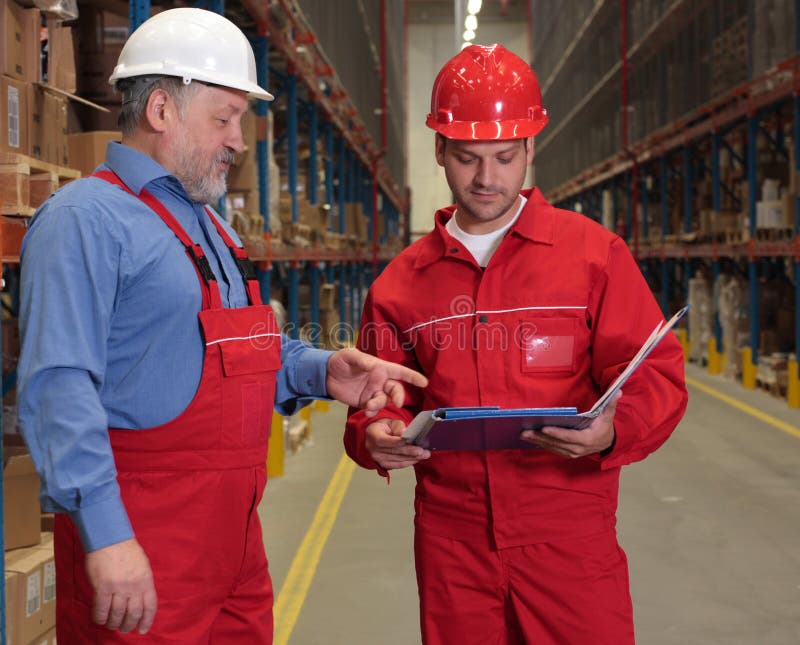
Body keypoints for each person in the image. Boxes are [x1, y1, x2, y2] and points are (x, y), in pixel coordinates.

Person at [16, 8, 427, 644]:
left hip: (234, 552)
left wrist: (322, 370)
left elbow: (236, 348)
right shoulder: (85, 221)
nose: (238, 138)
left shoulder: (208, 228)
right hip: (144, 549)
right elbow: (58, 388)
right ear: (160, 111)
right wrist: (108, 535)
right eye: (224, 118)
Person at [344, 44, 688, 645]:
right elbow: (377, 397)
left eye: (505, 157)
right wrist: (375, 436)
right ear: (440, 150)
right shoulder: (400, 285)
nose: (486, 178)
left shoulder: (593, 257)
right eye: (468, 158)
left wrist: (615, 430)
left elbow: (655, 374)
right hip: (454, 546)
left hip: (569, 536)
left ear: (530, 148)